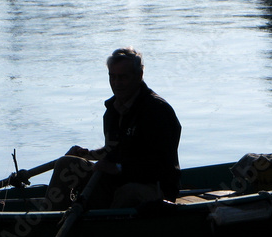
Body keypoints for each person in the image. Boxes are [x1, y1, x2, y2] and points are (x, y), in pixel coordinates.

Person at [46, 47, 181, 210]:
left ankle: (104, 227)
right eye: (112, 77)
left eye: (123, 77)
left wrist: (117, 169)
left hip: (156, 188)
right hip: (119, 178)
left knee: (126, 193)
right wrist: (88, 155)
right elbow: (115, 151)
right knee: (66, 164)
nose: (117, 84)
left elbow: (160, 166)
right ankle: (50, 219)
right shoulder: (113, 111)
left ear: (139, 76)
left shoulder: (157, 111)